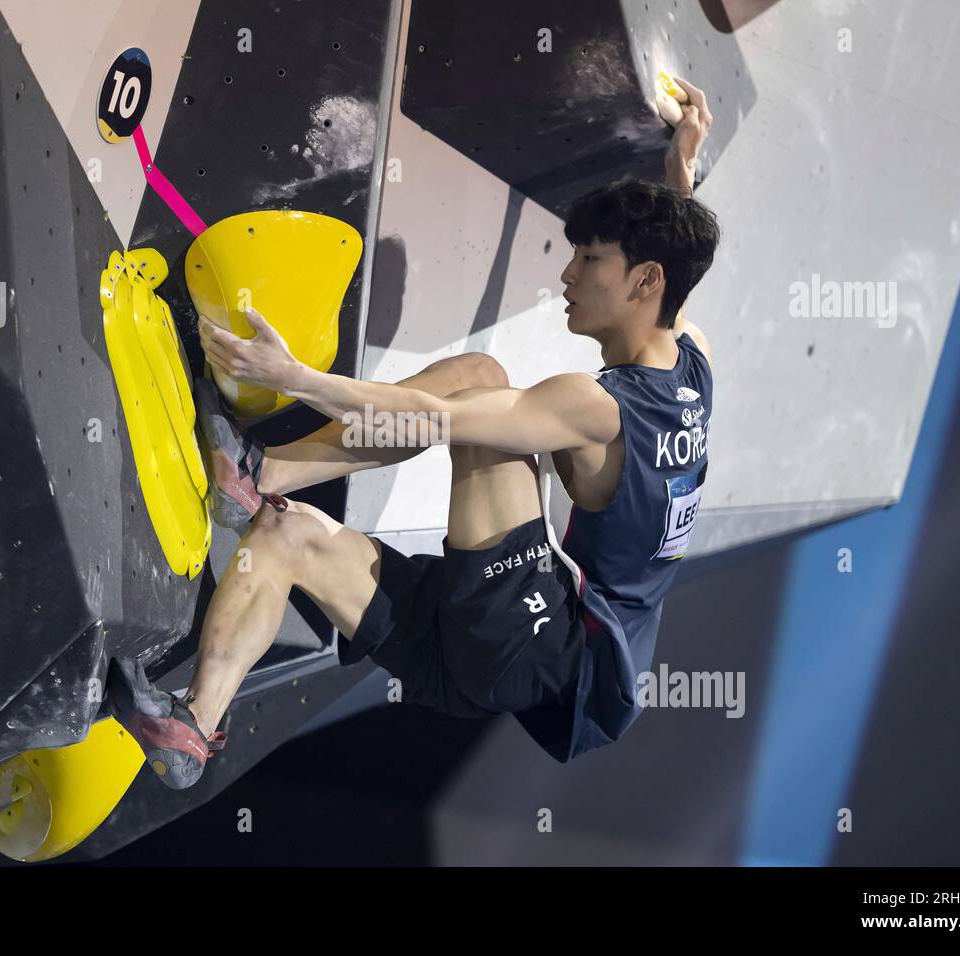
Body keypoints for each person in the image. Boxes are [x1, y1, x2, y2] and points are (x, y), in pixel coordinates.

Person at [107, 78, 720, 789]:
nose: (567, 273)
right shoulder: (692, 366)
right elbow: (677, 279)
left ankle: (264, 470)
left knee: (479, 381)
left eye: (589, 260)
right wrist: (681, 171)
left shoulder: (595, 408)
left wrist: (295, 375)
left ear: (644, 281)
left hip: (533, 635)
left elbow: (434, 420)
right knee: (286, 537)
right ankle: (193, 727)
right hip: (494, 661)